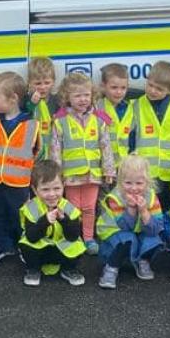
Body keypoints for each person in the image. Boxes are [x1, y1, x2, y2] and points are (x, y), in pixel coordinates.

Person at [50, 71, 115, 256]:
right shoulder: (61, 120)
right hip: (70, 175)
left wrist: (108, 169)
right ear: (67, 97)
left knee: (89, 208)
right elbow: (55, 148)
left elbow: (106, 146)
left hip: (92, 174)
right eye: (77, 95)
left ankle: (88, 238)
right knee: (72, 209)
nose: (83, 99)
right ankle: (74, 236)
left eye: (86, 95)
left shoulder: (99, 119)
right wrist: (57, 175)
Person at [0, 71, 38, 265]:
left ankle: (23, 245)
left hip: (19, 182)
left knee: (19, 216)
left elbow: (38, 150)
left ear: (13, 99)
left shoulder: (31, 124)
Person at [96, 155, 167, 289]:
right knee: (127, 239)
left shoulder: (151, 197)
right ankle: (111, 267)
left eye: (139, 183)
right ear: (120, 182)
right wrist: (131, 209)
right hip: (115, 236)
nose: (134, 188)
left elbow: (157, 228)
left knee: (155, 239)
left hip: (139, 233)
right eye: (128, 183)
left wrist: (145, 212)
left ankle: (142, 260)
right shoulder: (115, 198)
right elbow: (124, 227)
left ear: (147, 182)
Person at [17, 161, 86, 287]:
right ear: (35, 190)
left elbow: (73, 236)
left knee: (78, 245)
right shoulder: (31, 207)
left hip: (59, 251)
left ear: (63, 186)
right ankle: (33, 270)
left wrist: (64, 220)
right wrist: (45, 221)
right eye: (45, 189)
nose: (52, 194)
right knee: (25, 244)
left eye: (56, 188)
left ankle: (68, 269)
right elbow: (31, 237)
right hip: (40, 252)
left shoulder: (68, 207)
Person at [133, 60, 170, 202]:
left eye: (159, 89)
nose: (152, 91)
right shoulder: (136, 106)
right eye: (150, 85)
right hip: (146, 172)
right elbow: (129, 137)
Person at [97, 62, 134, 167]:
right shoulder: (97, 107)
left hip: (125, 166)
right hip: (103, 166)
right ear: (103, 86)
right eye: (114, 87)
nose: (119, 92)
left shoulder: (130, 108)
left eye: (123, 88)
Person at [26, 56, 58, 141]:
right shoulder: (27, 100)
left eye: (47, 83)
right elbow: (24, 115)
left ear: (53, 81)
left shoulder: (57, 101)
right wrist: (32, 104)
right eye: (38, 83)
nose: (43, 87)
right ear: (29, 83)